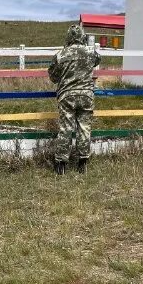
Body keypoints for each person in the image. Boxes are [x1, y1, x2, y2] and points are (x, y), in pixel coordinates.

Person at [48, 24, 101, 175]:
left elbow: (53, 76)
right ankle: (82, 163)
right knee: (84, 128)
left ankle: (61, 165)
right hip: (86, 95)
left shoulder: (61, 55)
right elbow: (97, 61)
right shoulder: (91, 52)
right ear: (82, 36)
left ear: (68, 37)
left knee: (65, 128)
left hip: (67, 95)